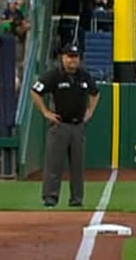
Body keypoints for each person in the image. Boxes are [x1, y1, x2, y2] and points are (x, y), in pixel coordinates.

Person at [32, 44, 99, 208]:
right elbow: (35, 91)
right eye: (69, 57)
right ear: (63, 57)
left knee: (77, 165)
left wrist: (90, 112)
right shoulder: (55, 75)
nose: (72, 60)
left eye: (75, 57)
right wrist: (46, 112)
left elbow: (95, 93)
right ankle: (50, 197)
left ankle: (77, 199)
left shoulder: (83, 76)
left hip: (77, 125)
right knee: (53, 164)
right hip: (60, 124)